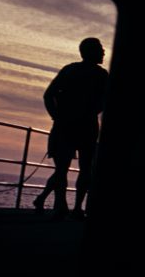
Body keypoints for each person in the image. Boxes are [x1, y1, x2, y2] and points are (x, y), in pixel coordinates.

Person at [34, 37, 108, 219]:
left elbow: (48, 95)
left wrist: (57, 116)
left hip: (66, 125)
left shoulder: (69, 70)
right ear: (91, 52)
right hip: (85, 126)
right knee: (84, 168)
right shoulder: (101, 75)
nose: (103, 52)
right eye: (100, 48)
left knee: (62, 168)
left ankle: (60, 206)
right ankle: (74, 208)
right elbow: (106, 101)